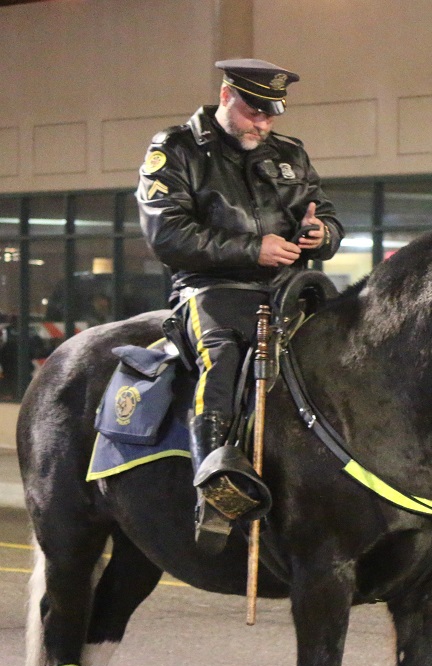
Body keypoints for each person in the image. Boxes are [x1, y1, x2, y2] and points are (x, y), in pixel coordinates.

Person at [137, 58, 343, 547]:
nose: (264, 125)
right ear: (228, 96)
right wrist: (255, 249)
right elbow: (166, 233)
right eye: (255, 113)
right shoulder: (176, 149)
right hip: (211, 289)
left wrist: (322, 234)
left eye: (271, 116)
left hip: (291, 288)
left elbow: (327, 213)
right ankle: (216, 493)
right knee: (224, 359)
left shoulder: (289, 152)